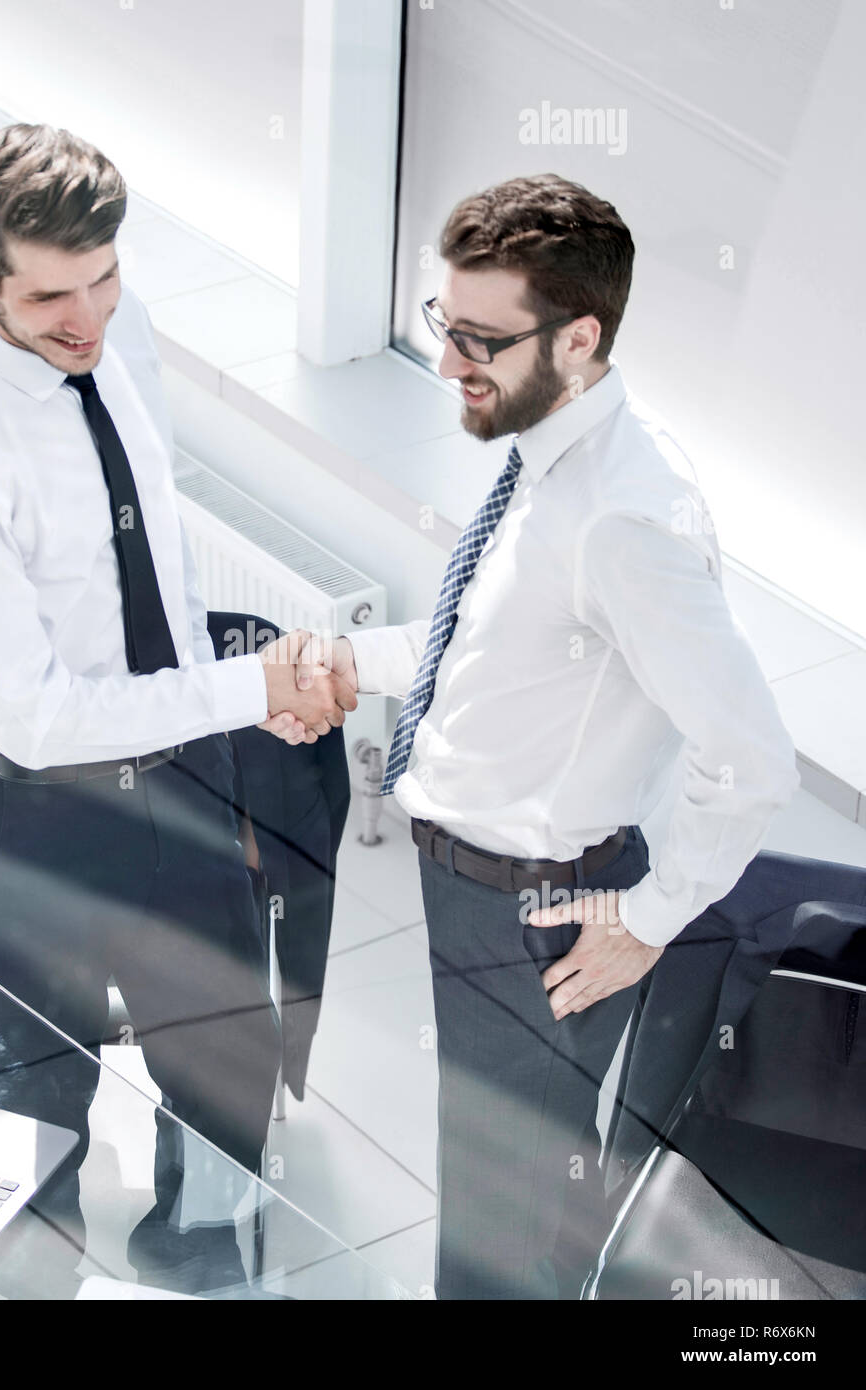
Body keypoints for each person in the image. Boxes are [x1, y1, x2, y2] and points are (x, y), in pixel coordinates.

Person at [280, 174, 799, 1299]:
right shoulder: (553, 449)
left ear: (579, 338)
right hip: (479, 898)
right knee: (510, 1214)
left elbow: (753, 755)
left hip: (535, 918)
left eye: (479, 338)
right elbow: (489, 651)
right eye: (443, 323)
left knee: (496, 1247)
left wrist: (652, 920)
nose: (446, 362)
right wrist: (352, 664)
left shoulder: (621, 518)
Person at [0, 123, 355, 1294]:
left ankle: (205, 1254)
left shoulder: (117, 326)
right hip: (41, 816)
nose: (87, 316)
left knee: (224, 1050)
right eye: (48, 296)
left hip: (185, 776)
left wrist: (257, 700)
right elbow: (40, 718)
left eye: (105, 276)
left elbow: (161, 565)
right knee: (32, 1090)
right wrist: (248, 685)